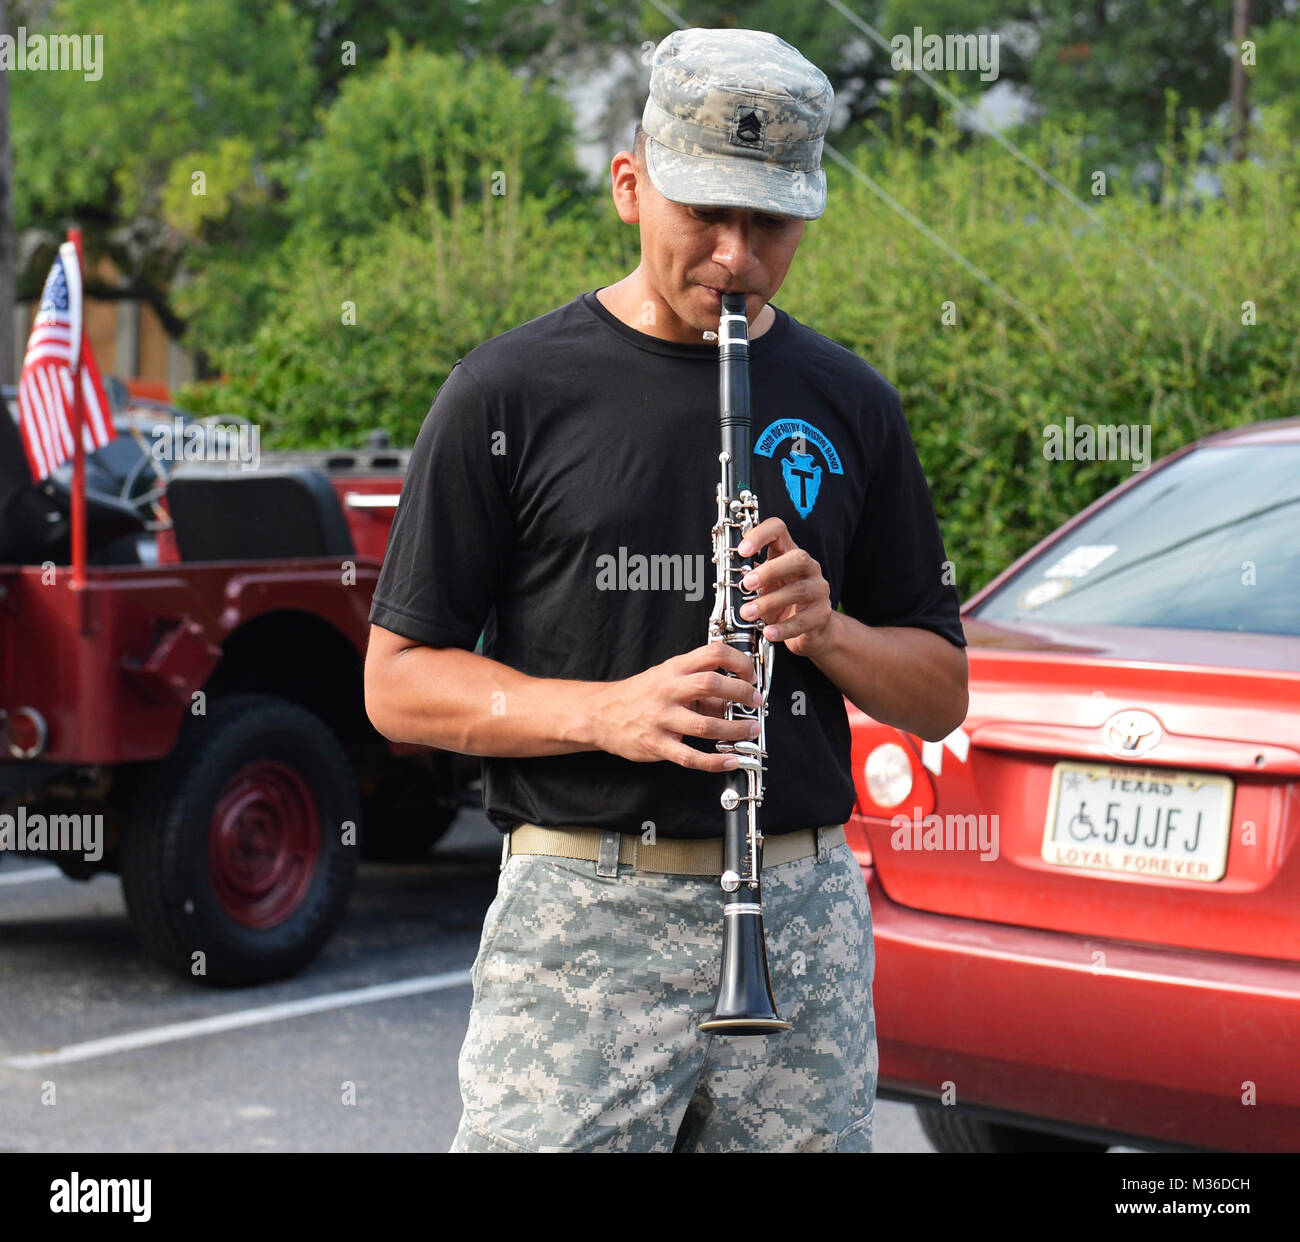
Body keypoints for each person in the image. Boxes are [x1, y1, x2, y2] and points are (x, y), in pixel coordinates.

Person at [364, 26, 968, 1153]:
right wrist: (604, 711)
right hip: (582, 920)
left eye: (771, 224)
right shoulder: (507, 392)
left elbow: (938, 693)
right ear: (630, 186)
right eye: (705, 215)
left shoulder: (852, 402)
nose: (736, 257)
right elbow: (396, 686)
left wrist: (826, 628)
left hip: (799, 915)